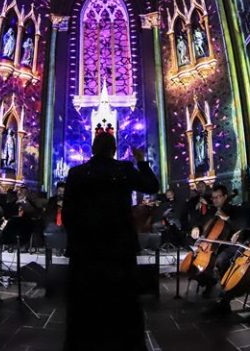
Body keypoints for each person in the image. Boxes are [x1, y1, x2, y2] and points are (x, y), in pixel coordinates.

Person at [62, 132, 159, 351]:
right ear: (114, 150)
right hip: (119, 249)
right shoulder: (124, 170)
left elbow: (68, 214)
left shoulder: (76, 173)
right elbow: (152, 185)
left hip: (86, 251)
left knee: (85, 304)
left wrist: (77, 242)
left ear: (92, 149)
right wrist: (141, 161)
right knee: (122, 303)